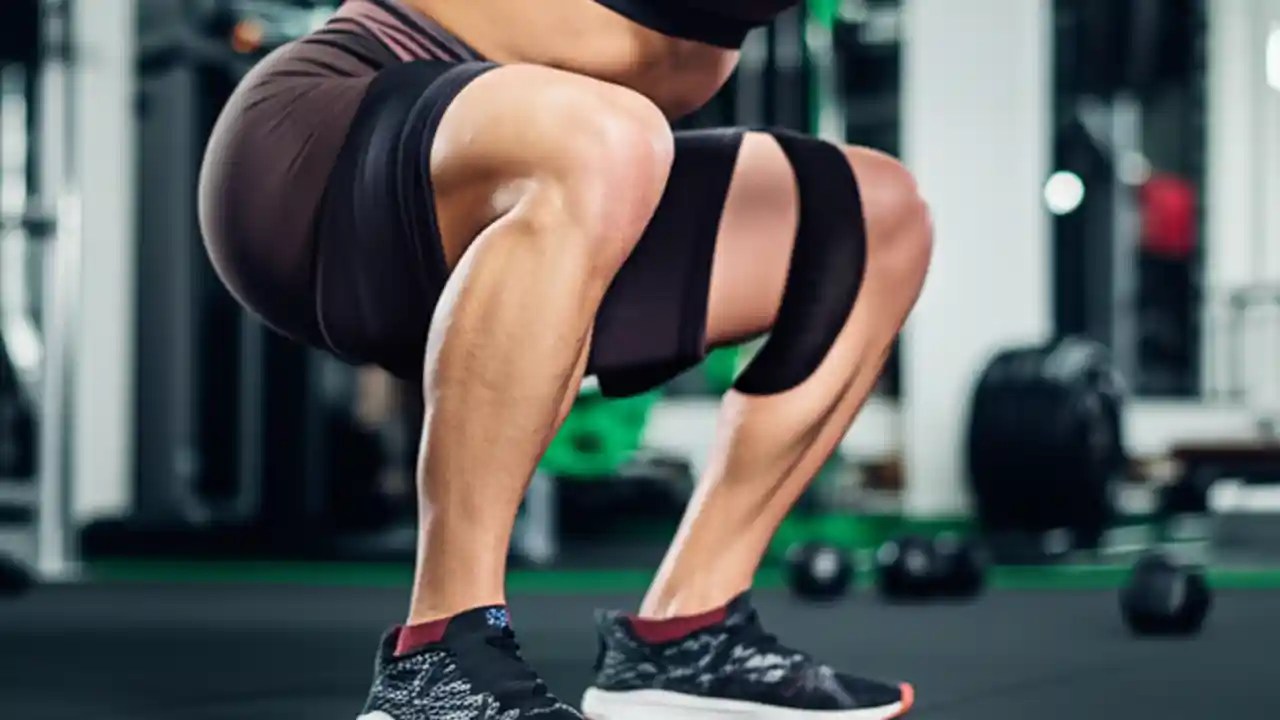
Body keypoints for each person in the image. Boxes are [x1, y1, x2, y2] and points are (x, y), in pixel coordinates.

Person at [199, 0, 932, 717]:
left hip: (549, 186)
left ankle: (686, 639)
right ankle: (439, 665)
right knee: (611, 137)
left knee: (876, 214)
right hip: (325, 149)